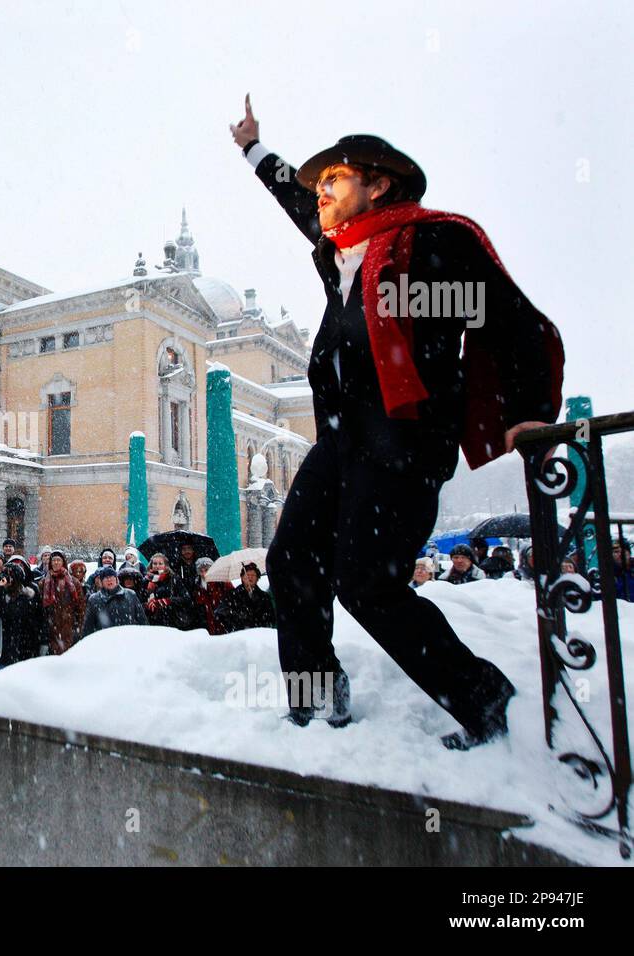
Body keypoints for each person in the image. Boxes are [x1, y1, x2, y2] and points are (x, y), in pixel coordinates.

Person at [231, 95, 563, 749]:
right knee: (290, 558)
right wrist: (253, 149)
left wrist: (525, 414)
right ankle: (314, 693)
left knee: (367, 584)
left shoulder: (435, 241)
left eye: (333, 181)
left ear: (378, 184)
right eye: (318, 185)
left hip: (406, 436)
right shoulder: (343, 249)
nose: (319, 195)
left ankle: (486, 700)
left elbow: (513, 322)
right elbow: (299, 204)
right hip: (344, 436)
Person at [0, 562, 43, 685]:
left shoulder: (23, 598)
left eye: (8, 575)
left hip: (7, 651)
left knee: (2, 692)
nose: (3, 578)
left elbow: (7, 615)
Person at [82, 565, 147, 637]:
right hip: (105, 641)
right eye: (106, 578)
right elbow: (88, 627)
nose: (109, 580)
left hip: (129, 638)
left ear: (116, 579)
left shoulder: (130, 594)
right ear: (101, 582)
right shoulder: (94, 599)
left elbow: (142, 620)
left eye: (111, 577)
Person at [214, 563, 277, 633]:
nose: (250, 577)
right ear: (242, 577)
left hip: (260, 634)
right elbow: (220, 612)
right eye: (247, 575)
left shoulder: (264, 596)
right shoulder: (232, 595)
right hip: (240, 634)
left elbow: (271, 618)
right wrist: (238, 618)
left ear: (257, 578)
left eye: (253, 575)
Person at [143, 553, 188, 629]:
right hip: (151, 622)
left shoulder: (173, 579)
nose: (157, 566)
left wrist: (166, 601)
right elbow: (140, 600)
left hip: (170, 620)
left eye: (160, 563)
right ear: (151, 565)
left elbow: (185, 598)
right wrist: (147, 605)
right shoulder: (146, 580)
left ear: (165, 566)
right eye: (155, 563)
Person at [194, 557, 234, 635]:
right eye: (201, 571)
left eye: (206, 570)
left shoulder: (221, 581)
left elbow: (233, 595)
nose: (204, 573)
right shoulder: (197, 584)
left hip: (224, 620)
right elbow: (198, 603)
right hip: (208, 622)